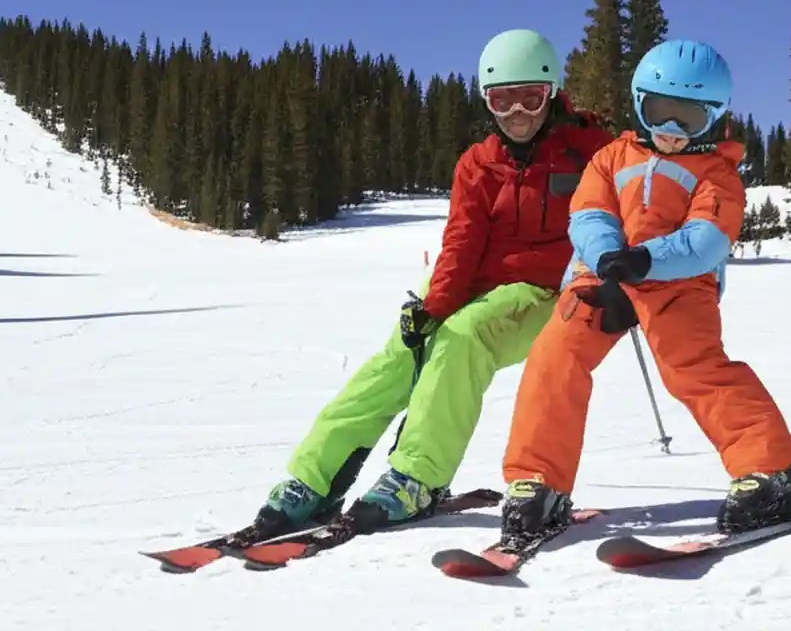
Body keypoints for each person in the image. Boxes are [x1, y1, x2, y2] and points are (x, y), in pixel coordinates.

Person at [249, 29, 616, 535]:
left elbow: (635, 203)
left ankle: (418, 477)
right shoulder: (478, 163)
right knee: (399, 354)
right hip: (475, 283)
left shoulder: (593, 152)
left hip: (545, 292)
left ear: (551, 93)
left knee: (462, 339)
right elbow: (461, 244)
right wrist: (433, 304)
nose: (518, 115)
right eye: (501, 101)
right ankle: (313, 478)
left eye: (530, 98)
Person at [495, 39, 791, 549]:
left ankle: (773, 470)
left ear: (714, 117)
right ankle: (537, 484)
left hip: (677, 283)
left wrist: (646, 260)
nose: (672, 132)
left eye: (689, 118)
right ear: (639, 103)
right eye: (659, 112)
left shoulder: (718, 173)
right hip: (602, 278)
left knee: (693, 366)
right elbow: (589, 213)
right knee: (554, 355)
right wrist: (610, 261)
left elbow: (706, 240)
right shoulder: (612, 158)